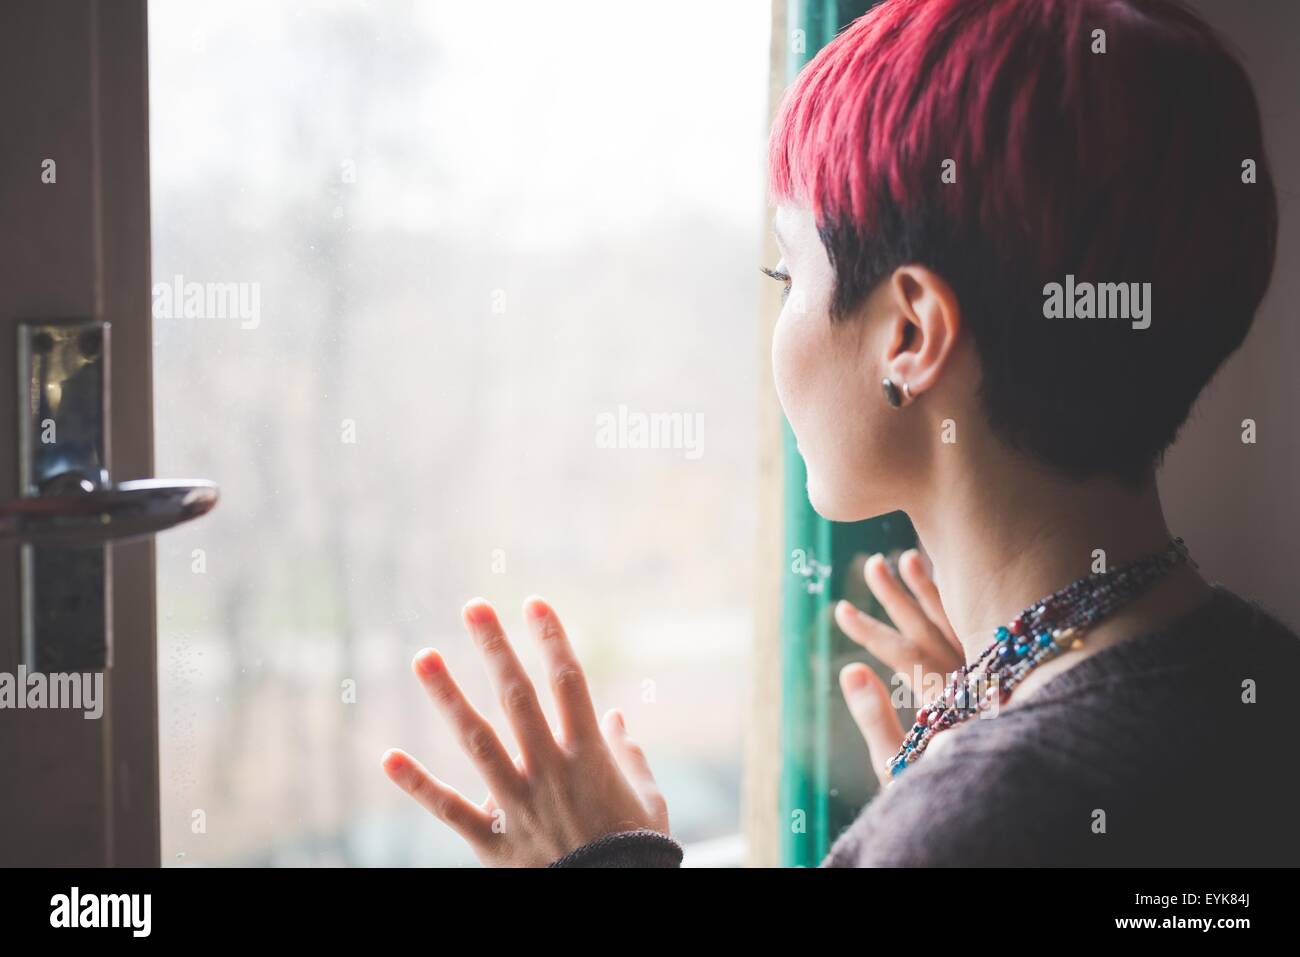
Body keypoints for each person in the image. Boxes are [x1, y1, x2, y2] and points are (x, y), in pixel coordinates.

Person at [380, 0, 1300, 867]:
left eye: (789, 275)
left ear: (908, 334)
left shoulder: (981, 826)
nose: (777, 317)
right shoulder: (1261, 675)